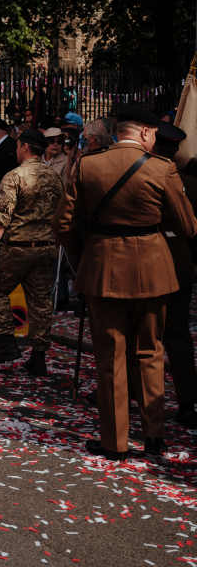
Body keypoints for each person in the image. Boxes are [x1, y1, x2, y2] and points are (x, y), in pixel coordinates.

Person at [58, 105, 197, 460]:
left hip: (103, 267)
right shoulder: (162, 168)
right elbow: (188, 227)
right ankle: (154, 436)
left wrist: (83, 260)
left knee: (111, 357)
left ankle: (115, 442)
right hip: (153, 270)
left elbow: (65, 225)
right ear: (148, 133)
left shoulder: (88, 165)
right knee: (151, 352)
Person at [0, 128, 64, 372]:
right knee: (40, 301)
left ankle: (6, 342)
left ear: (25, 147)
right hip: (47, 246)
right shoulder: (53, 176)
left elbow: (0, 218)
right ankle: (38, 356)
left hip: (18, 247)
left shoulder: (14, 176)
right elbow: (63, 212)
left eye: (18, 146)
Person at [151, 123, 197, 427]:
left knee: (142, 332)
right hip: (180, 264)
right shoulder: (190, 181)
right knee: (177, 335)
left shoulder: (146, 173)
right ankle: (187, 402)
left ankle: (133, 392)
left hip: (149, 262)